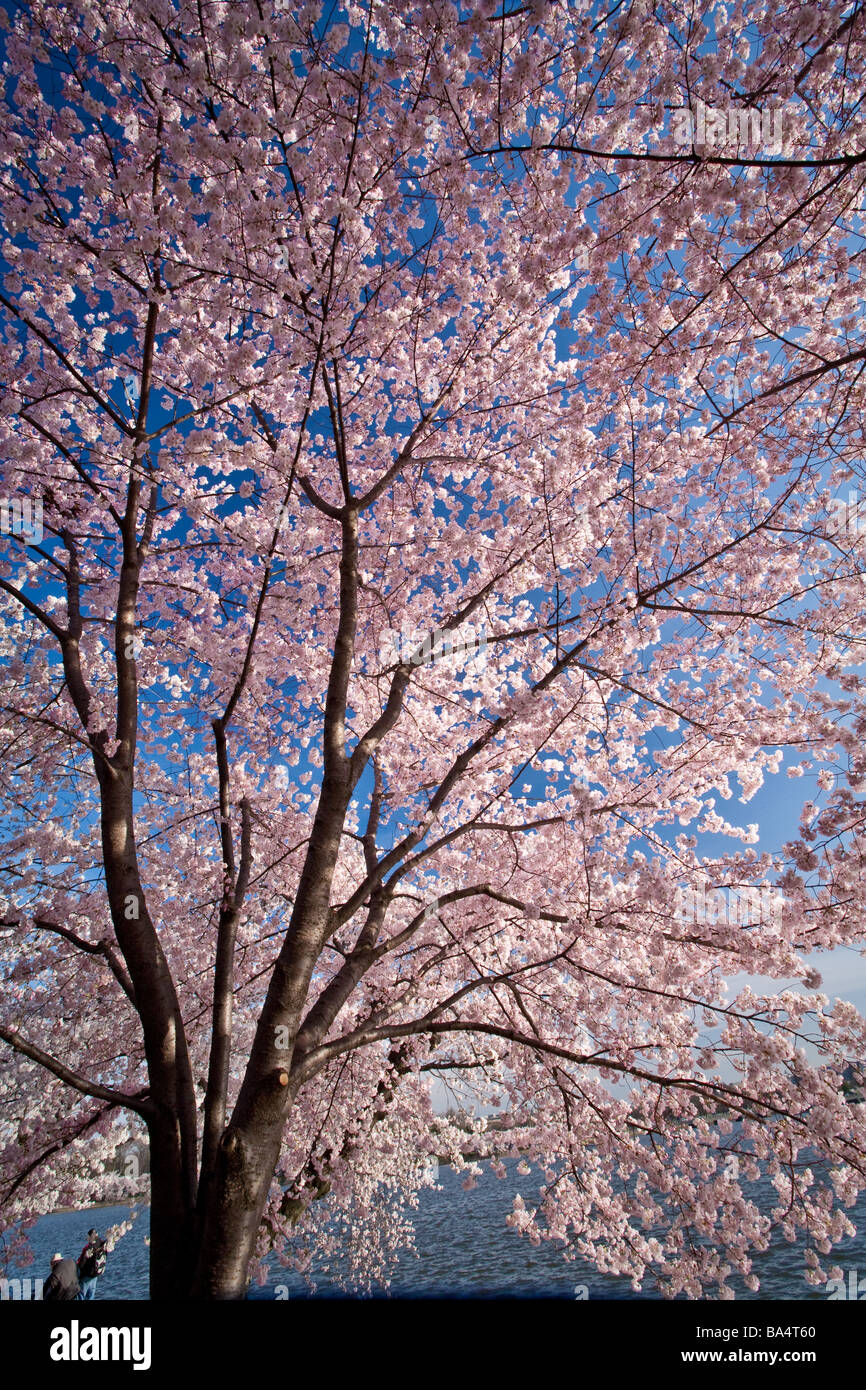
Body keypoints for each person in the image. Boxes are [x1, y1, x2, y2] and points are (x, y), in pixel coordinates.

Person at [76, 1228, 107, 1300]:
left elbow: (81, 1264)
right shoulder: (102, 1244)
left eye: (88, 1237)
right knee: (91, 1296)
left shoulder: (88, 1248)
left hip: (86, 1276)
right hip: (95, 1274)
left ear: (90, 1237)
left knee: (81, 1296)